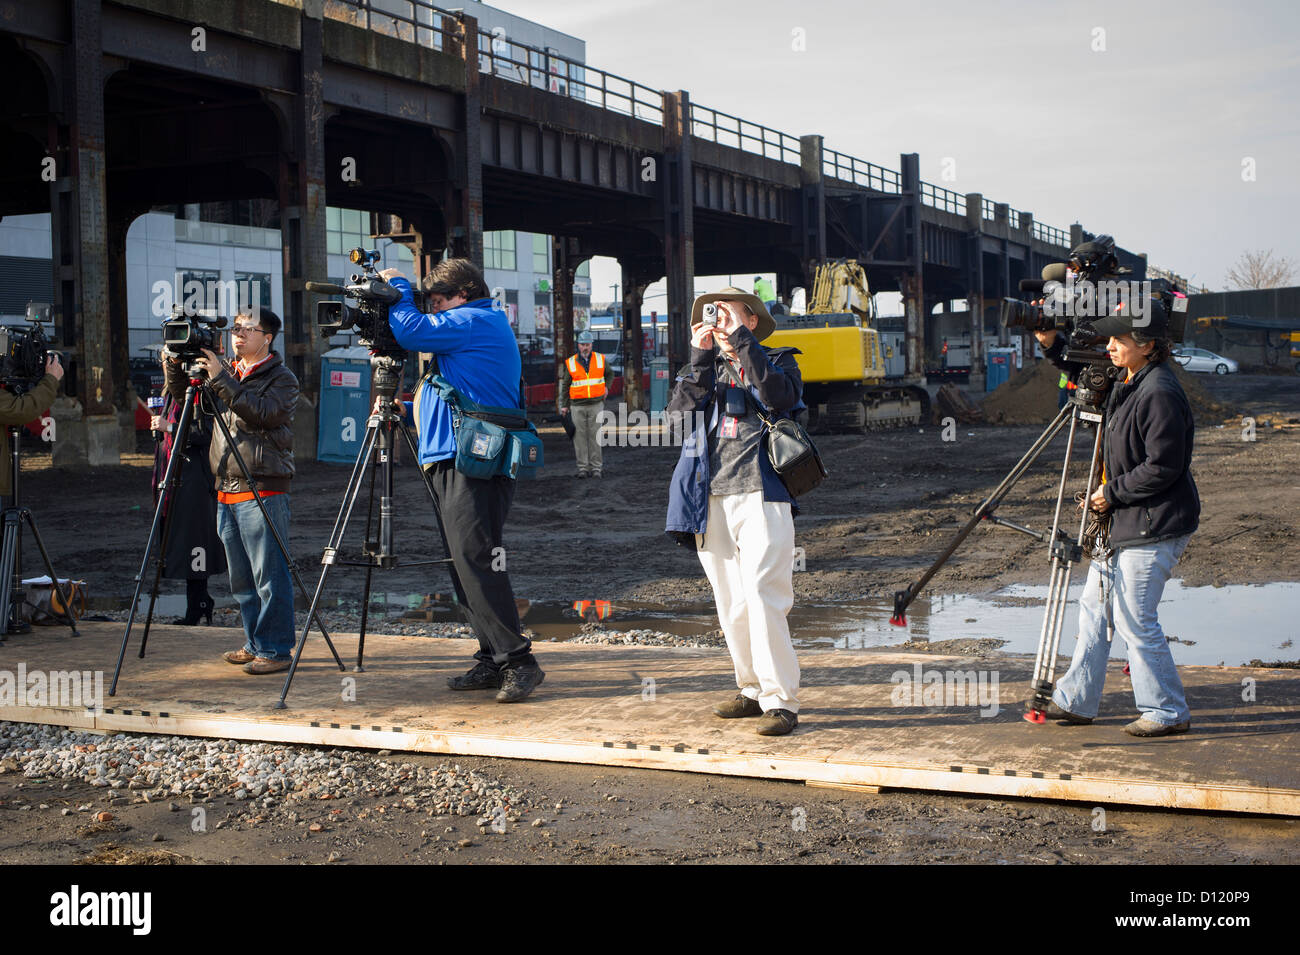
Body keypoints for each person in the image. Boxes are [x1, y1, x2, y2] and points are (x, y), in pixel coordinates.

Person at [379, 259, 544, 703]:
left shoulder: (475, 318)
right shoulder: (468, 325)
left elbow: (410, 332)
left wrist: (396, 286)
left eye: (437, 301)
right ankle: (493, 658)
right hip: (456, 457)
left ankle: (519, 660)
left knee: (477, 556)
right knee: (463, 561)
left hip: (474, 460)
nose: (432, 311)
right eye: (428, 303)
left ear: (464, 292)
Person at [1034, 296, 1199, 736]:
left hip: (1153, 521)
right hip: (1126, 518)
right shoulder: (1130, 379)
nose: (1109, 345)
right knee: (1094, 608)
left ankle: (1166, 711)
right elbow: (1083, 379)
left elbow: (1164, 466)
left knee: (1133, 617)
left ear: (1147, 344)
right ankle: (1077, 701)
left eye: (1119, 338)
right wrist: (1053, 346)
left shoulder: (1160, 391)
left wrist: (1112, 492)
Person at [665, 287, 805, 736]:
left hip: (762, 493)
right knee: (732, 601)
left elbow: (780, 398)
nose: (721, 319)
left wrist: (743, 342)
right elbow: (678, 422)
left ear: (750, 317)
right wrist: (702, 360)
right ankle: (751, 689)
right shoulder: (698, 369)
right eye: (715, 313)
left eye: (731, 312)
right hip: (710, 499)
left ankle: (781, 701)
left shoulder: (779, 360)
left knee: (765, 593)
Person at [165, 307, 298, 675]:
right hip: (226, 488)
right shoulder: (227, 373)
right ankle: (256, 643)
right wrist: (175, 365)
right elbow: (188, 402)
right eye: (236, 328)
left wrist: (222, 377)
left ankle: (275, 650)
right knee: (242, 580)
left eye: (248, 329)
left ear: (267, 338)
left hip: (264, 488)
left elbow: (261, 413)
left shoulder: (282, 379)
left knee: (269, 576)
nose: (238, 335)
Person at [149, 368, 226, 626]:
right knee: (184, 542)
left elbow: (209, 434)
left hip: (194, 477)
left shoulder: (202, 391)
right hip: (174, 476)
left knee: (195, 543)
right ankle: (199, 602)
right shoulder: (172, 394)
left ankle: (198, 605)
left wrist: (170, 427)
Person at [557, 331, 613, 478]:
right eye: (582, 345)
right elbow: (566, 385)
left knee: (595, 437)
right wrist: (564, 405)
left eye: (587, 344)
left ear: (591, 345)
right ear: (578, 345)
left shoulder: (600, 360)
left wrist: (607, 386)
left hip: (596, 404)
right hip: (577, 406)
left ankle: (596, 469)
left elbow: (610, 374)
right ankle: (583, 468)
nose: (585, 347)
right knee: (579, 438)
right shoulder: (571, 363)